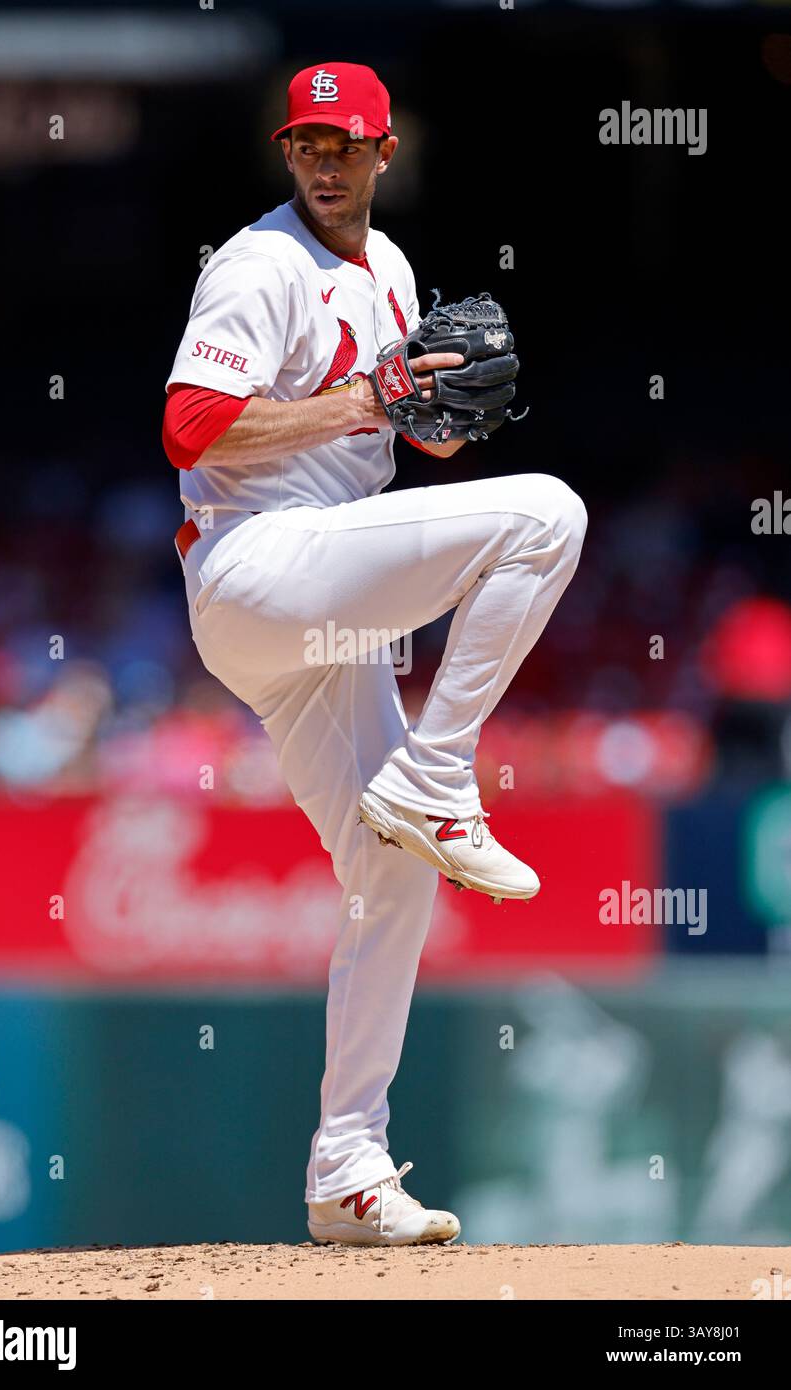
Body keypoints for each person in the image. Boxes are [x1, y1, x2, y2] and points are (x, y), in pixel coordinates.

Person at [162, 61, 587, 1246]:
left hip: (319, 619)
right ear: (285, 148)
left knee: (389, 870)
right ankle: (440, 774)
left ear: (383, 151)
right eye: (306, 141)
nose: (325, 160)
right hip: (251, 564)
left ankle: (346, 1169)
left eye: (344, 143)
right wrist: (364, 398)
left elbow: (398, 424)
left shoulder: (389, 269)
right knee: (547, 512)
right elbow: (188, 425)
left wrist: (435, 411)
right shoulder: (256, 264)